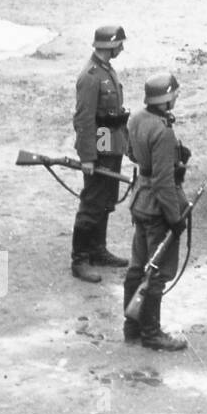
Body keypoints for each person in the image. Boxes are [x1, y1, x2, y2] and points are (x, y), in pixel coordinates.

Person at [122, 73, 189, 351]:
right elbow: (164, 182)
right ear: (166, 98)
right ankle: (151, 333)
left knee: (138, 268)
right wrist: (175, 218)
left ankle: (132, 327)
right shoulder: (163, 131)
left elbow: (132, 154)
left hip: (141, 201)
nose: (175, 98)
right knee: (157, 272)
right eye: (174, 94)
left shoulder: (136, 119)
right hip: (158, 207)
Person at [70, 25, 130, 282]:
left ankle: (97, 249)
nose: (122, 48)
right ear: (109, 46)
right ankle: (80, 258)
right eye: (119, 44)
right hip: (97, 147)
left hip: (109, 145)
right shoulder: (91, 76)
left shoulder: (105, 70)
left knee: (106, 199)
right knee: (92, 202)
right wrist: (87, 158)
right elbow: (84, 120)